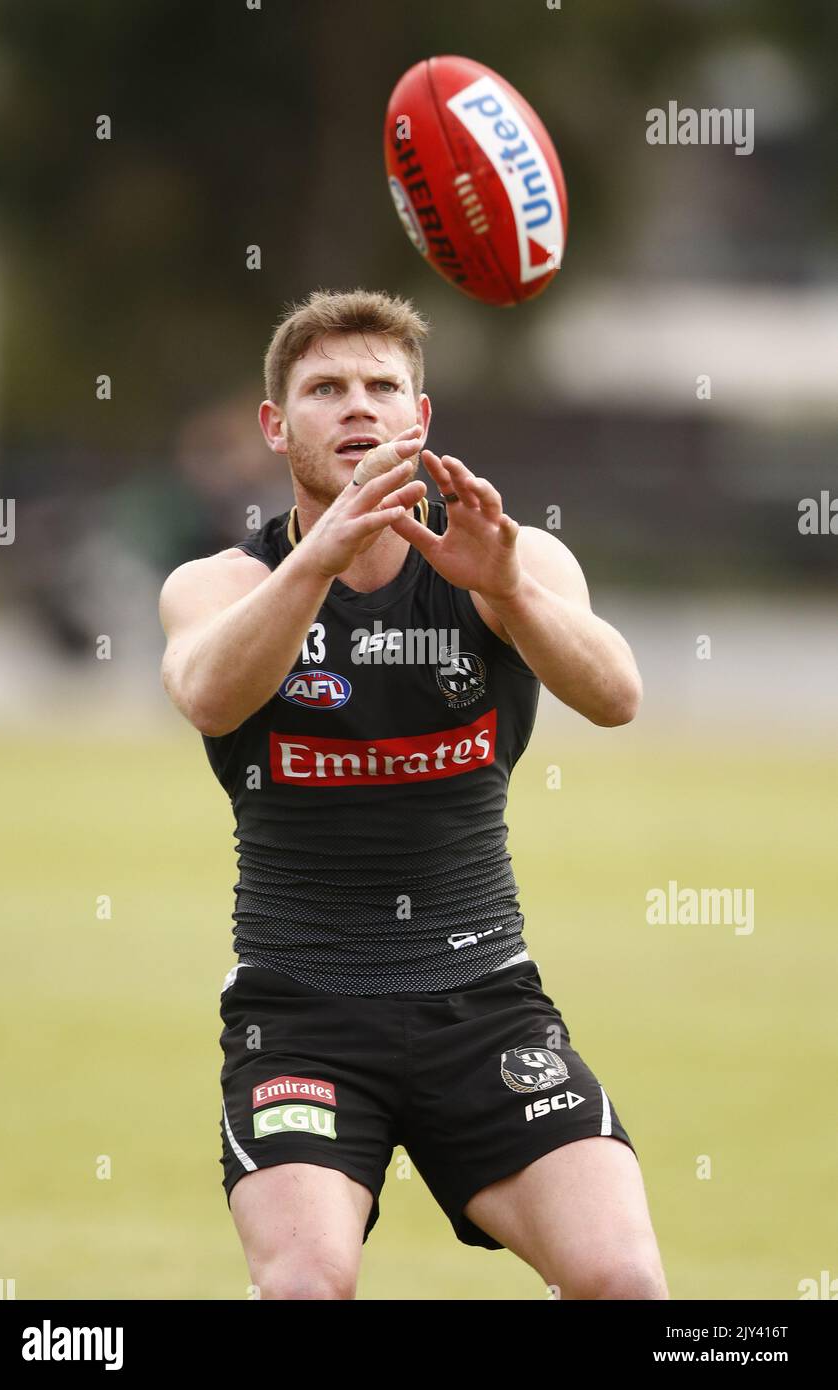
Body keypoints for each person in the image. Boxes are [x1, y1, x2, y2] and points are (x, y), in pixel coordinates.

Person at [158, 287, 669, 1300]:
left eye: (381, 386)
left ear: (418, 420)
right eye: (324, 388)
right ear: (274, 425)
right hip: (299, 1016)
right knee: (306, 1283)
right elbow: (211, 697)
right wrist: (321, 559)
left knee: (623, 1278)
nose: (356, 406)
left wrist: (511, 591)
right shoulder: (220, 583)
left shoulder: (502, 560)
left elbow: (615, 697)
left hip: (485, 1008)